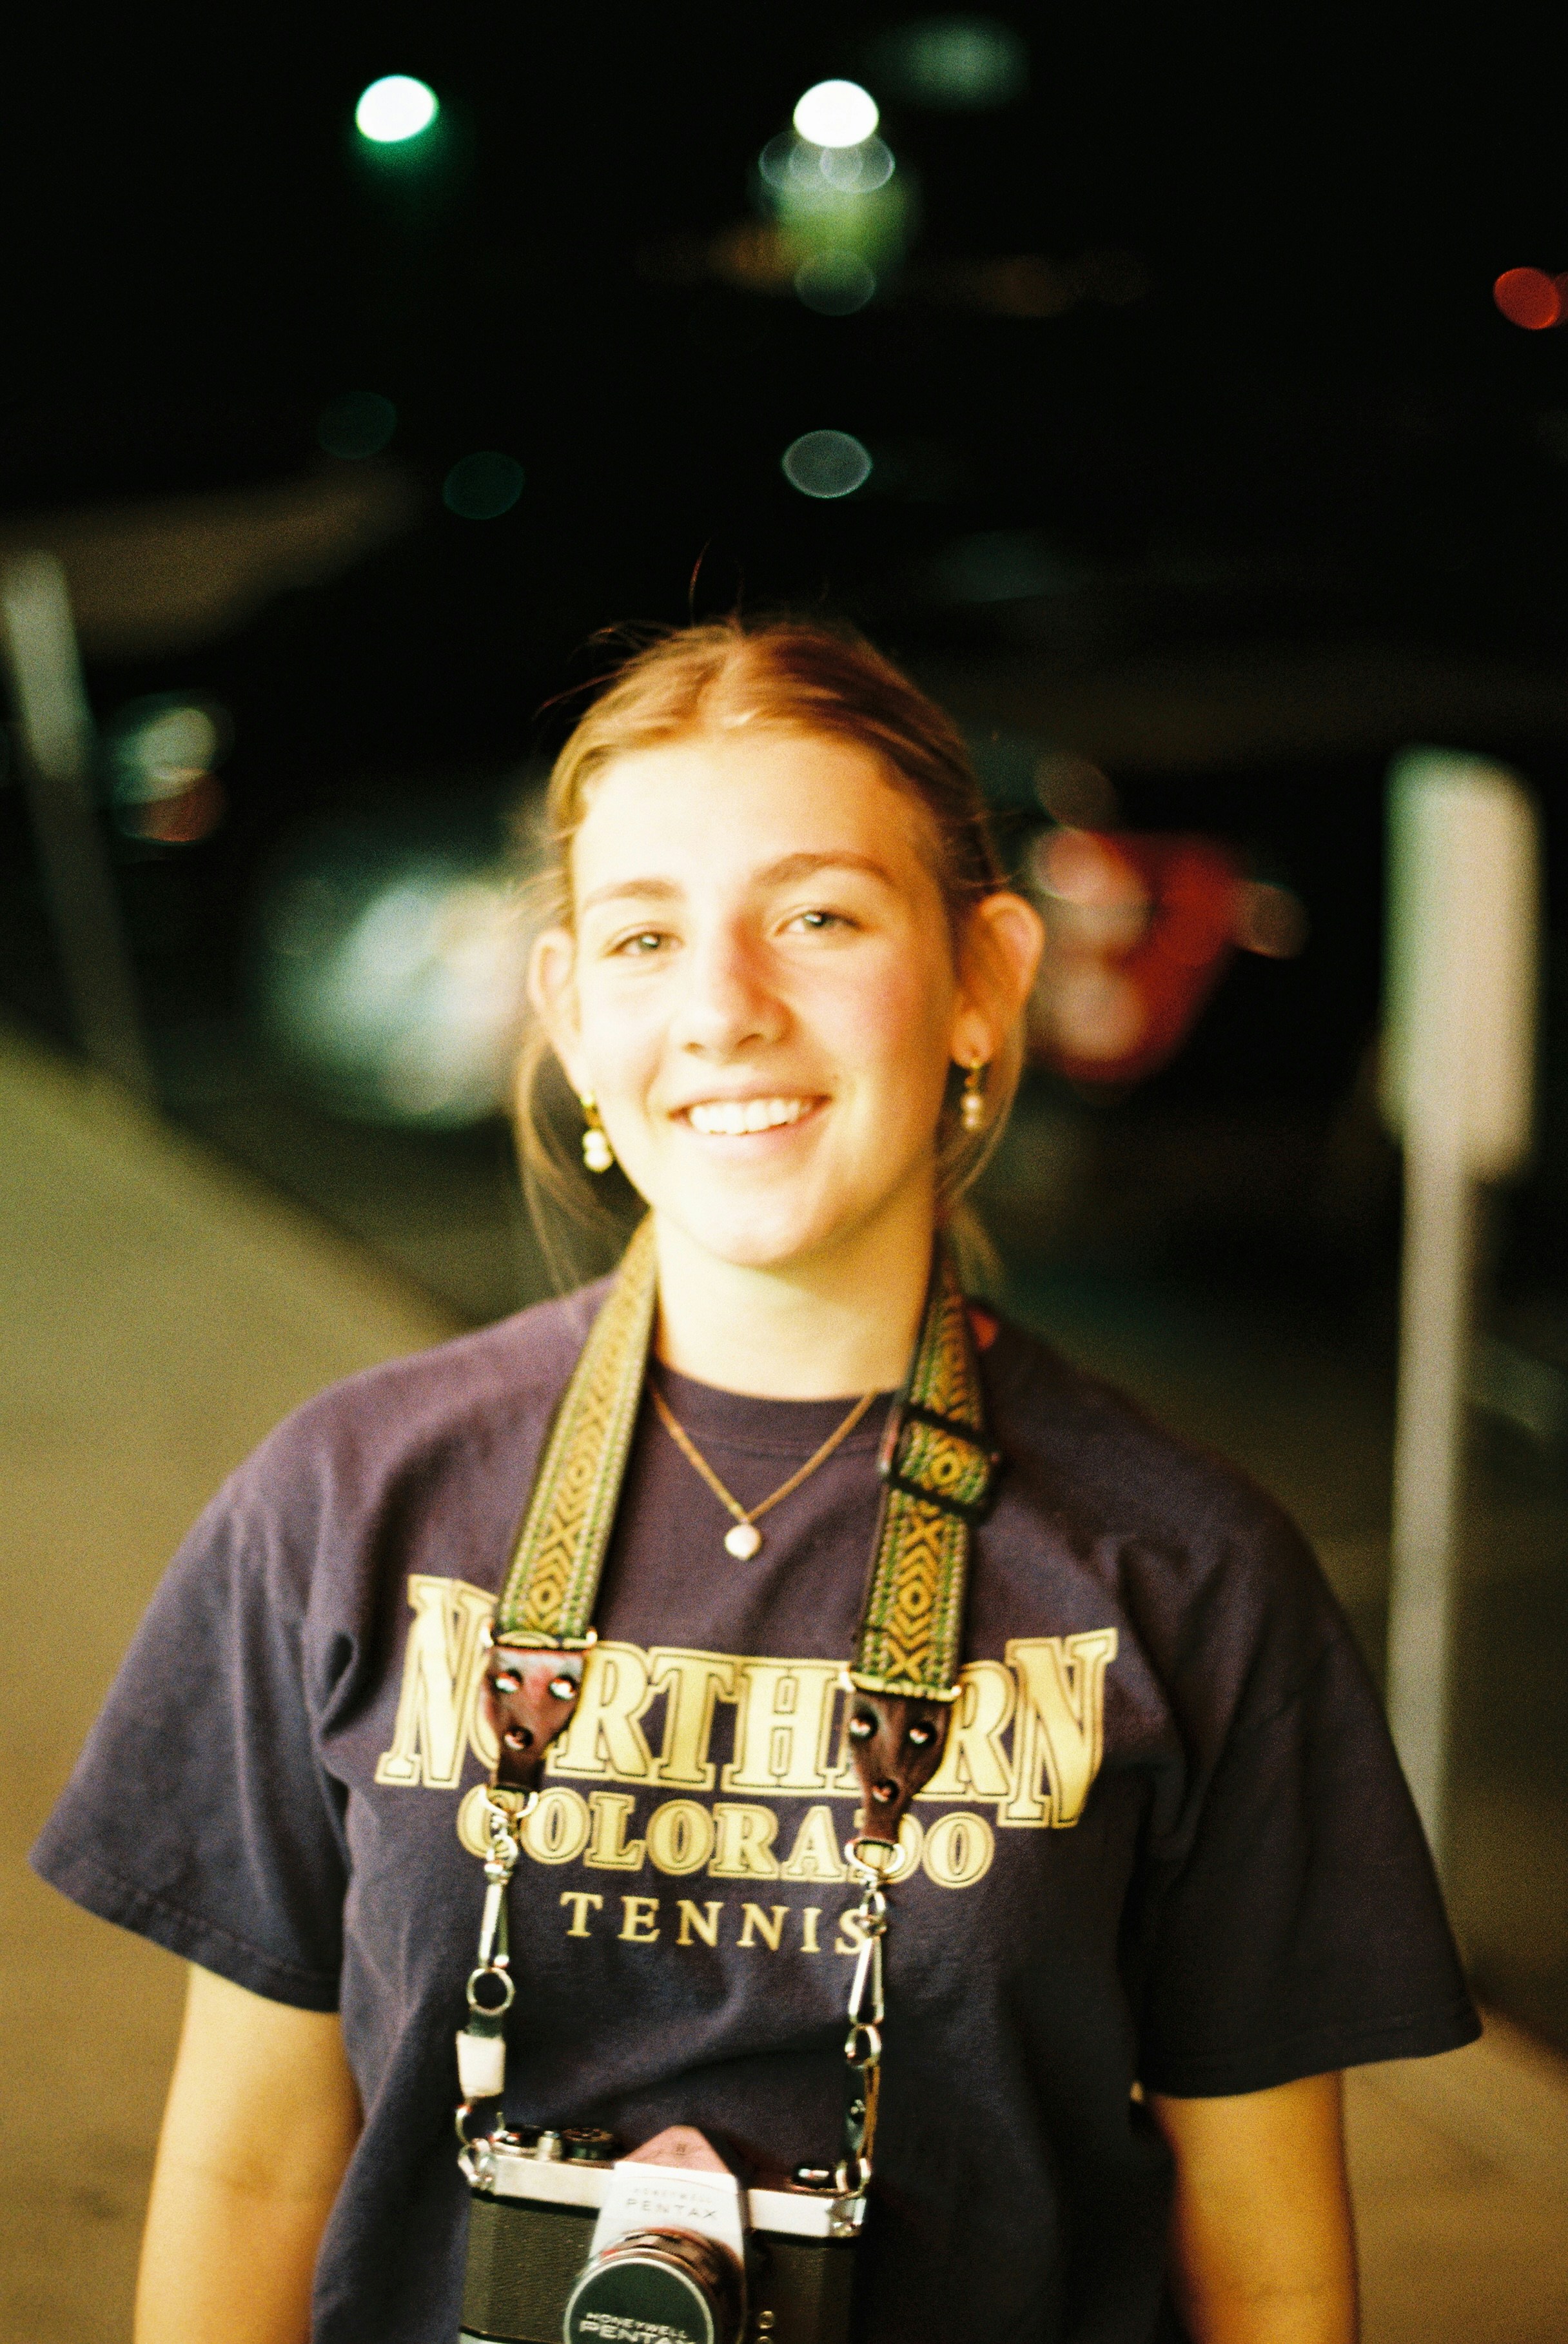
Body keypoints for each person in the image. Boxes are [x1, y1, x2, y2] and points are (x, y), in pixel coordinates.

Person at [34, 617, 1477, 2344]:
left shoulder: (1183, 1566)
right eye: (647, 934)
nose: (723, 1006)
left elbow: (1271, 2263)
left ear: (982, 978)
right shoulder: (349, 1505)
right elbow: (255, 2172)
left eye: (819, 916)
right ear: (569, 1010)